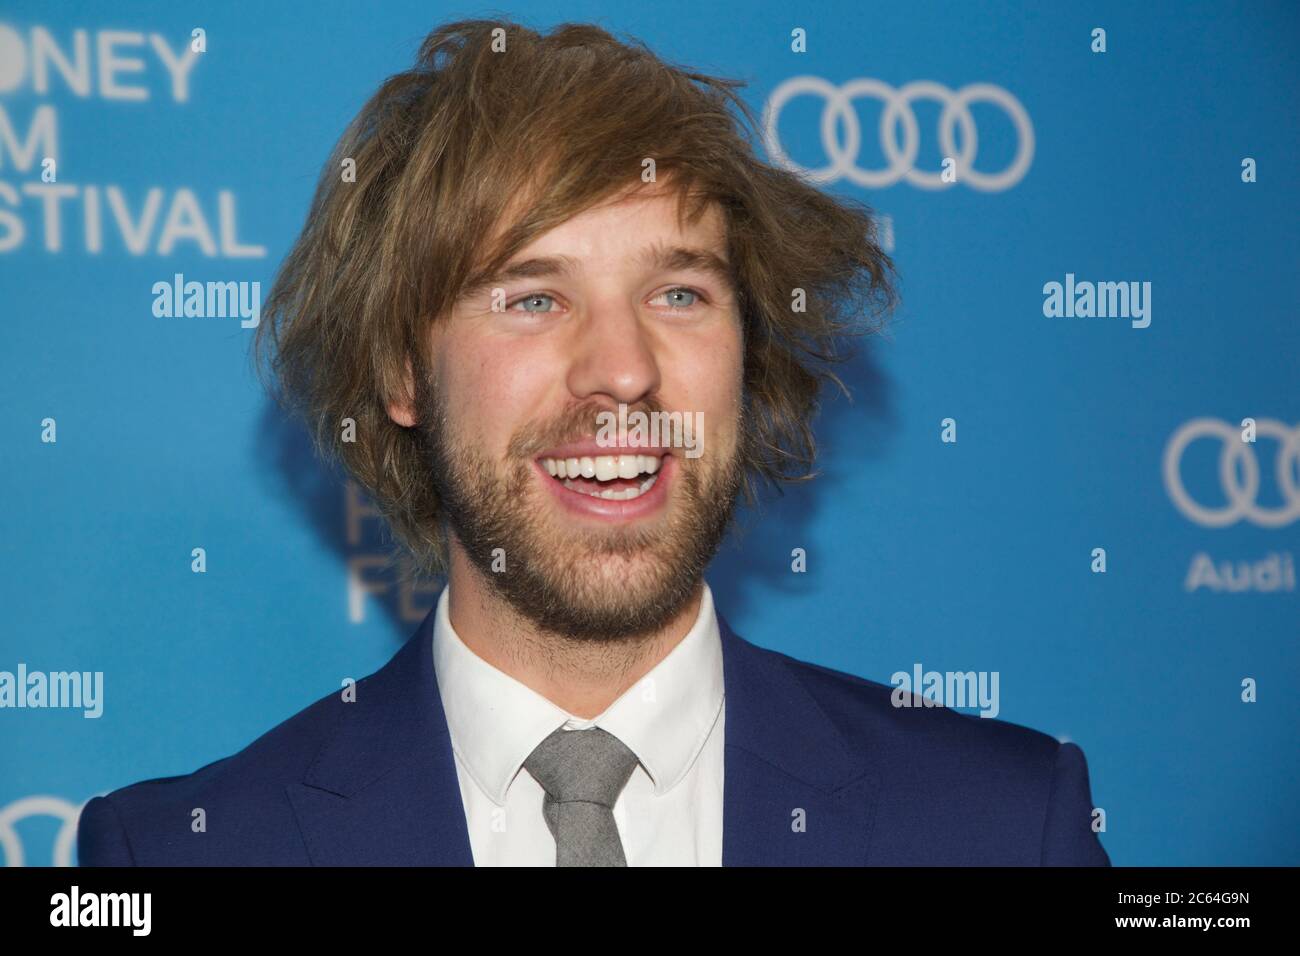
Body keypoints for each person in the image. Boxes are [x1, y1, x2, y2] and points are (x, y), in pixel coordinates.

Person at [77, 18, 1109, 866]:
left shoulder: (1006, 827)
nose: (623, 367)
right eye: (532, 296)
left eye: (677, 292)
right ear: (400, 371)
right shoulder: (178, 854)